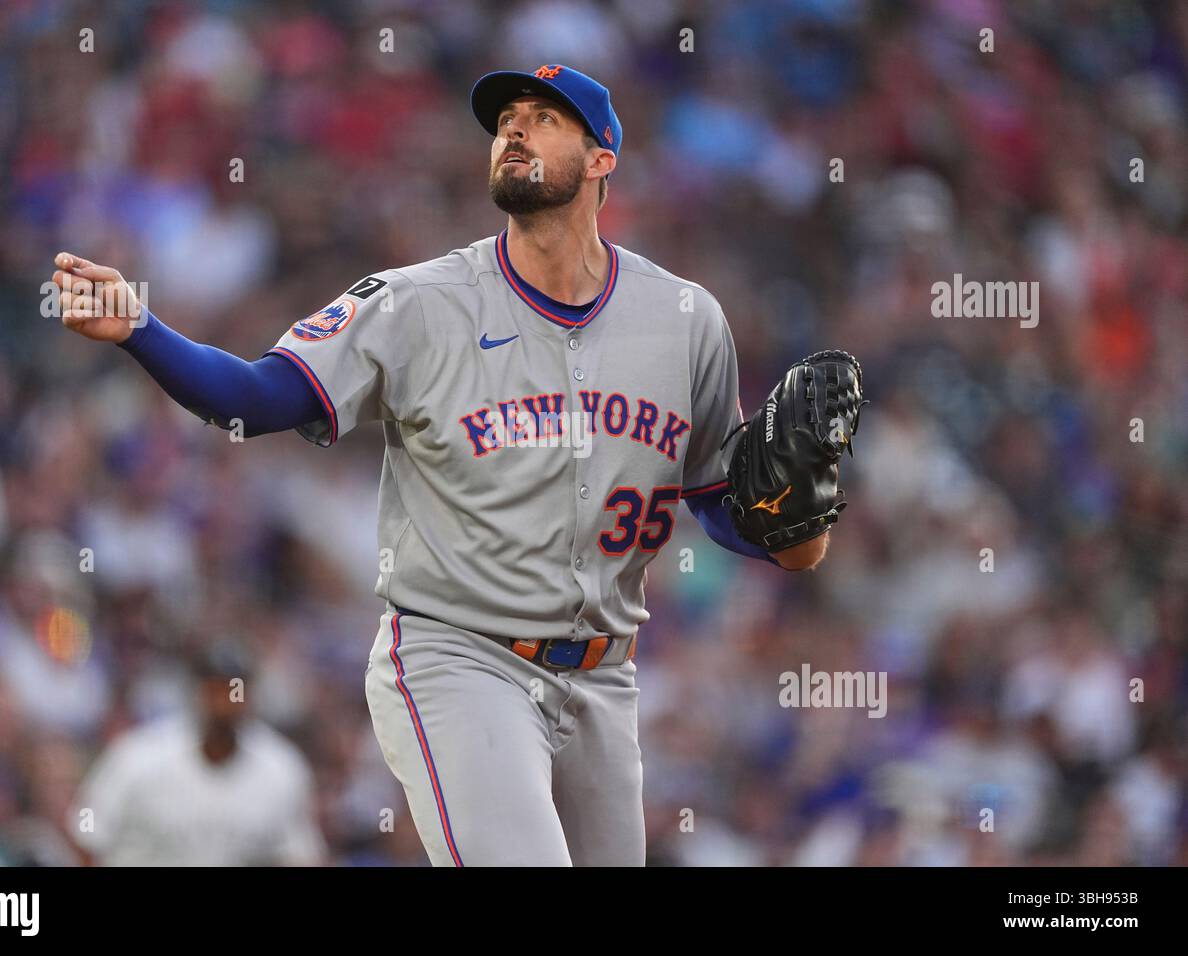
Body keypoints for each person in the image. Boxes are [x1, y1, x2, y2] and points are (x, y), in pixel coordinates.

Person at [50, 64, 828, 866]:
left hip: (602, 677)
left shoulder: (685, 320)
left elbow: (717, 501)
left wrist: (790, 514)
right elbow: (258, 398)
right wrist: (142, 327)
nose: (515, 130)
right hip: (459, 656)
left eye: (544, 119)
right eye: (507, 120)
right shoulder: (419, 303)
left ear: (602, 160)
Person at [67, 642, 326, 866]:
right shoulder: (138, 758)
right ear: (196, 691)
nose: (225, 701)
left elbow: (300, 854)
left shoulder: (280, 768)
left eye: (234, 689)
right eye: (215, 689)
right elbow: (87, 829)